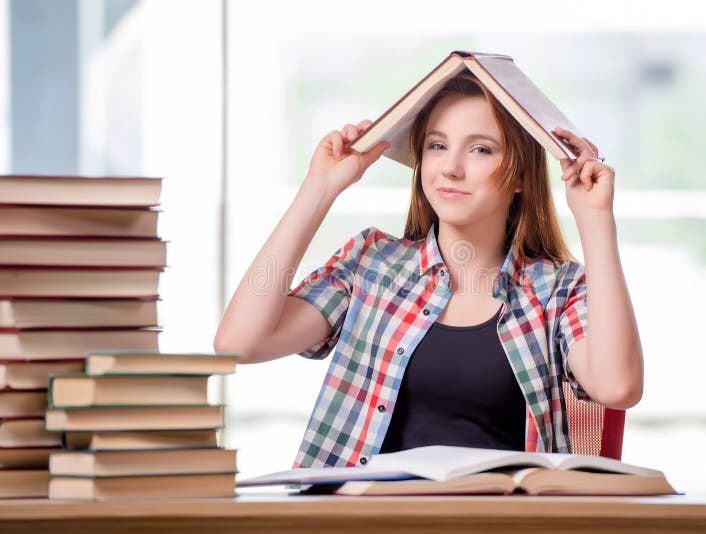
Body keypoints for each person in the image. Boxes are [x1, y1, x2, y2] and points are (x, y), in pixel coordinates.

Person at [214, 73, 644, 469]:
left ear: (518, 176)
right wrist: (320, 187)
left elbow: (619, 387)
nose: (450, 168)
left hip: (502, 519)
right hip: (360, 517)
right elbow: (239, 343)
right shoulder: (370, 263)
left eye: (480, 149)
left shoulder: (556, 289)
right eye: (437, 146)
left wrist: (595, 219)